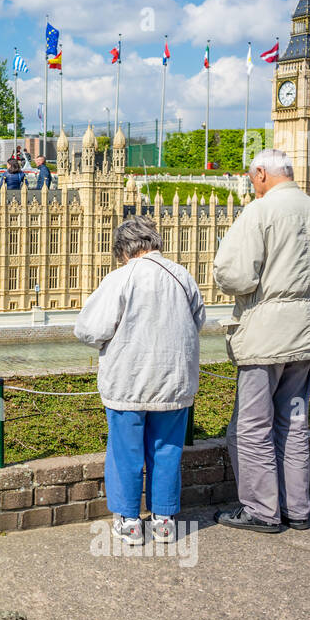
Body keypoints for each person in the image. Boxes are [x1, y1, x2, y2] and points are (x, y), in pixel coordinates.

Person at [212, 149, 310, 533]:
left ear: (262, 174)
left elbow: (234, 275)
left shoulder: (259, 212)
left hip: (267, 337)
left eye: (252, 180)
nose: (253, 187)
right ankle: (296, 508)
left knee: (251, 425)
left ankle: (261, 510)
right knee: (294, 421)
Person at [75, 216, 205, 545]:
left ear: (124, 250)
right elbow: (198, 320)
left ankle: (130, 521)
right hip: (174, 382)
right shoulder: (183, 276)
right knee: (166, 451)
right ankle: (164, 520)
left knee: (125, 453)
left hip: (129, 382)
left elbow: (90, 329)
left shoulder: (121, 278)